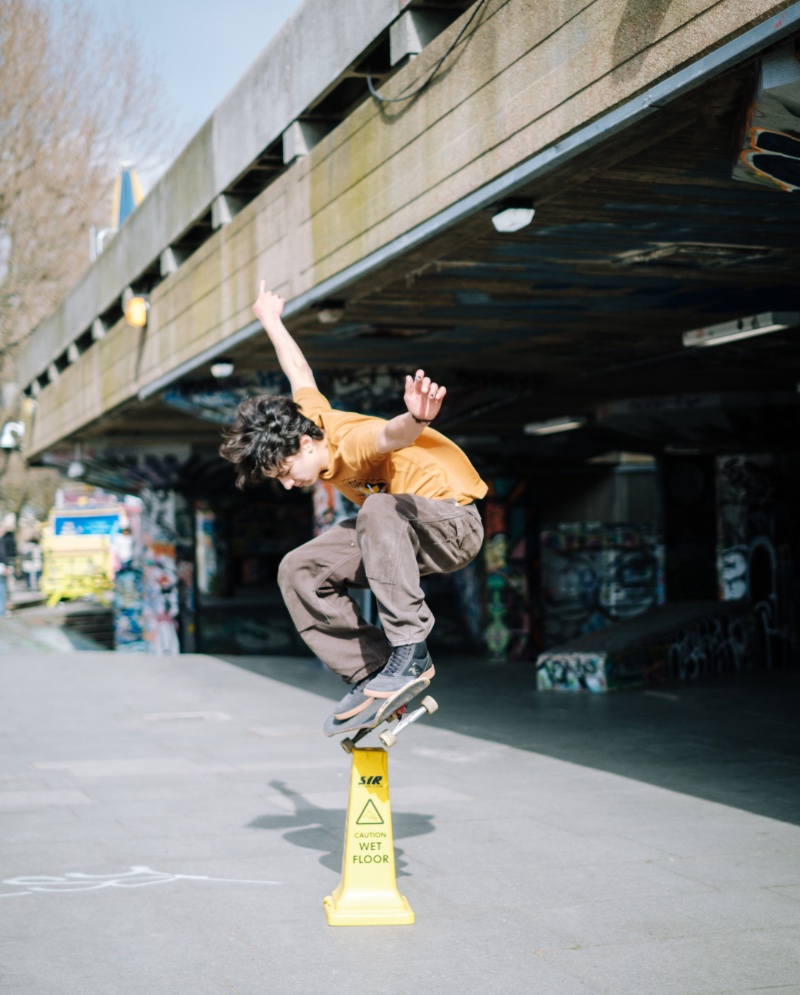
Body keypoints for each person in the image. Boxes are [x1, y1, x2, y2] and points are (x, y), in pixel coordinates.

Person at [220, 283, 487, 736]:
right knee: (299, 568)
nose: (288, 484)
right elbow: (299, 372)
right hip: (399, 539)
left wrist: (417, 419)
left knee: (378, 508)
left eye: (286, 471)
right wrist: (270, 319)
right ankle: (374, 673)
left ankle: (410, 651)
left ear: (306, 444)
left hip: (452, 526)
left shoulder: (352, 444)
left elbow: (390, 436)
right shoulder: (310, 418)